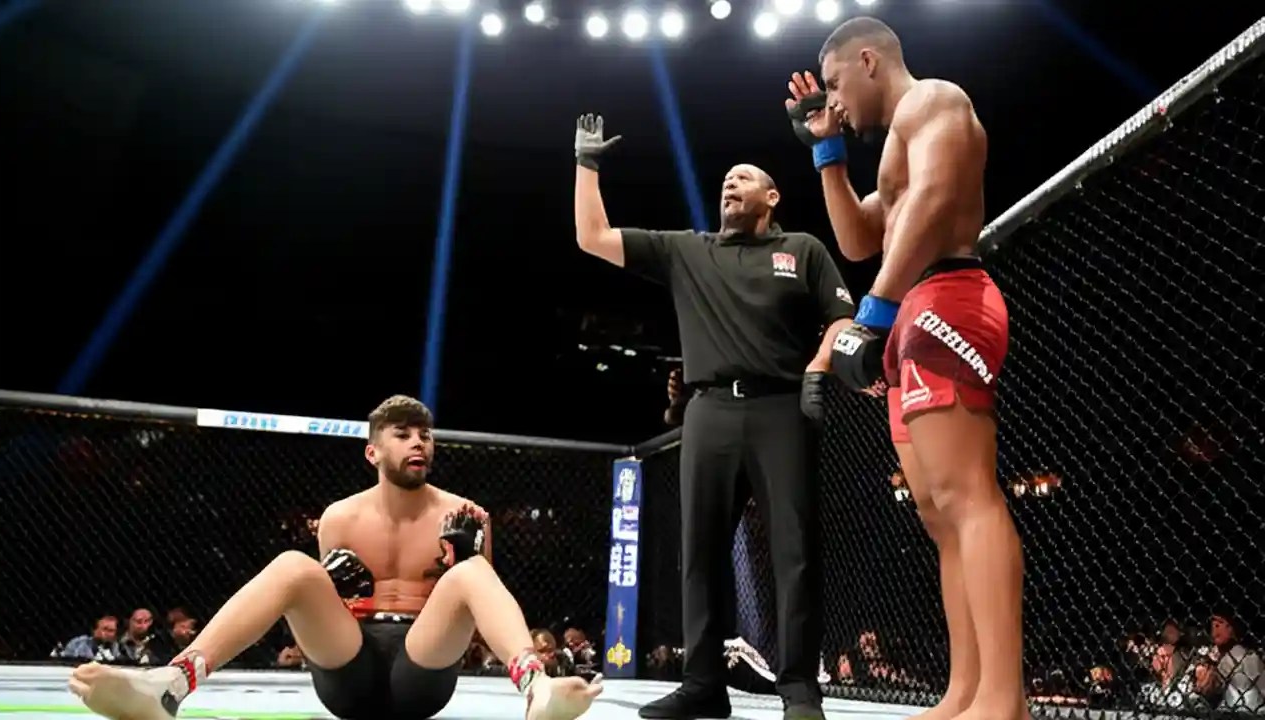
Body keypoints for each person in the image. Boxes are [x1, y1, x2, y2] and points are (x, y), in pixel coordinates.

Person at [67, 395, 602, 720]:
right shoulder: (340, 517)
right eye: (403, 435)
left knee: (472, 570)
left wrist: (459, 568)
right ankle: (171, 686)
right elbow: (330, 616)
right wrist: (334, 588)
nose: (419, 443)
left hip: (424, 666)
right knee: (294, 567)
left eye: (425, 434)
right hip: (350, 667)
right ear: (373, 451)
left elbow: (486, 610)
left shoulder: (465, 514)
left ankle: (536, 689)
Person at [573, 114, 856, 720]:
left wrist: (818, 366)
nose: (730, 183)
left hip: (783, 405)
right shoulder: (687, 251)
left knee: (794, 550)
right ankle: (704, 684)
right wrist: (587, 166)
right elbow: (591, 237)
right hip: (707, 412)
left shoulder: (800, 249)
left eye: (744, 177)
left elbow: (840, 317)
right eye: (726, 178)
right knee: (699, 551)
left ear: (771, 196)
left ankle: (800, 689)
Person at [784, 16, 1027, 720]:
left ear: (868, 60)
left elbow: (934, 198)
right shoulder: (894, 143)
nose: (834, 99)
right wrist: (827, 152)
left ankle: (1004, 700)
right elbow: (864, 238)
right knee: (938, 514)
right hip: (912, 311)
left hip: (946, 299)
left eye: (835, 86)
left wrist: (874, 314)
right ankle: (966, 691)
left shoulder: (934, 101)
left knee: (969, 498)